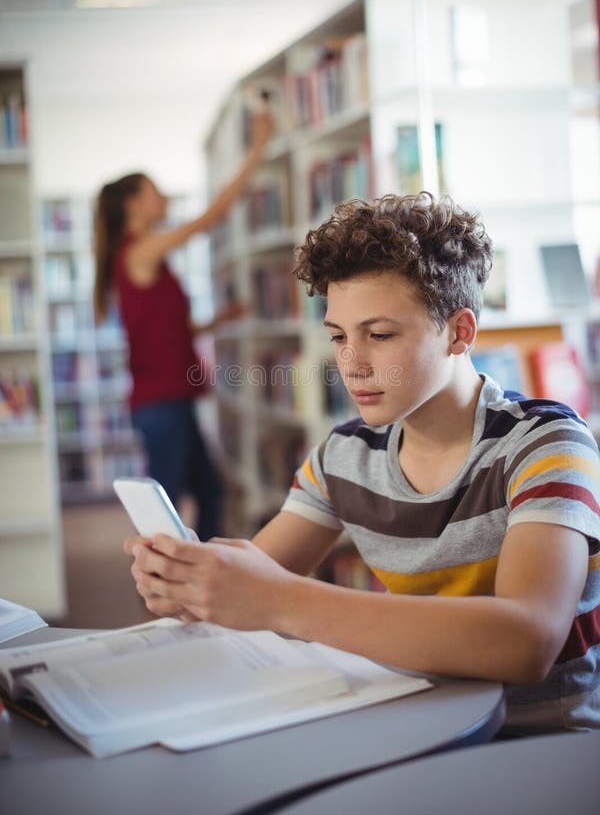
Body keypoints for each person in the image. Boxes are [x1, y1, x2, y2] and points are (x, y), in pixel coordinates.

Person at [124, 191, 600, 733]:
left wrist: (279, 601)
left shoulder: (546, 442)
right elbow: (255, 578)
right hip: (417, 732)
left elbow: (527, 641)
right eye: (338, 337)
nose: (351, 364)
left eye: (379, 335)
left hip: (541, 749)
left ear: (459, 332)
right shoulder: (344, 455)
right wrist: (192, 582)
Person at [94, 109, 273, 541]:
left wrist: (218, 320)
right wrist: (258, 148)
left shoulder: (143, 256)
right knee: (167, 503)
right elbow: (210, 218)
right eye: (154, 192)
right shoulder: (140, 251)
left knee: (209, 493)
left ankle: (202, 580)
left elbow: (171, 331)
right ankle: (163, 588)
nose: (164, 198)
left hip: (174, 399)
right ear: (134, 204)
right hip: (161, 404)